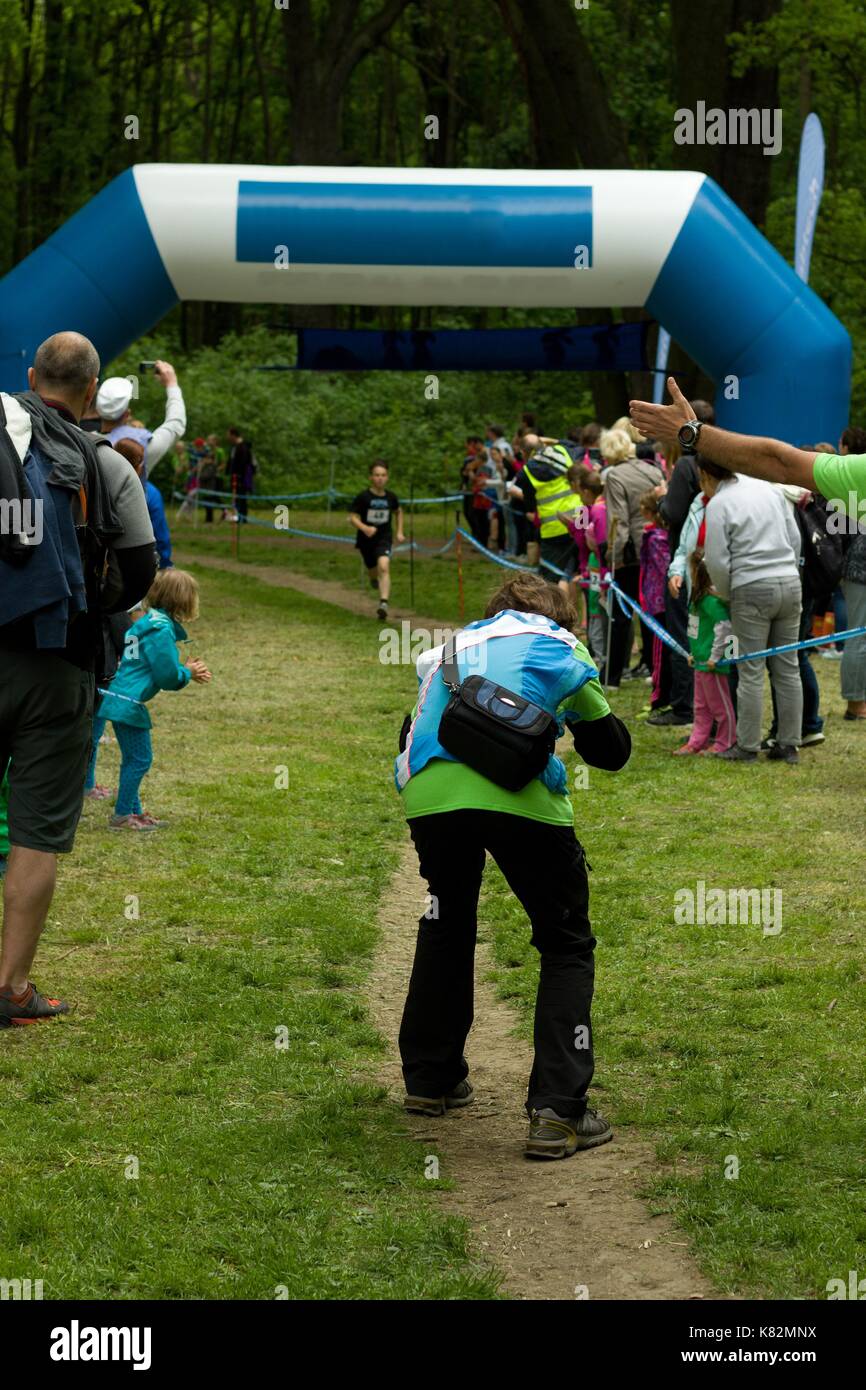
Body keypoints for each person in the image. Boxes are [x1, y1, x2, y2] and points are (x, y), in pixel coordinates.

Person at [395, 572, 631, 1159]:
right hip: (520, 798)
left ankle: (431, 1079)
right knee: (565, 944)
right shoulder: (559, 646)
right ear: (562, 617)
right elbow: (610, 752)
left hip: (428, 796)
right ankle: (558, 1110)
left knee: (446, 924)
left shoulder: (451, 647)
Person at [0, 331, 157, 1027]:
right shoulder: (105, 463)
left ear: (33, 377)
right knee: (36, 833)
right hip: (58, 666)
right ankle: (11, 988)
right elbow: (141, 574)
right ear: (91, 391)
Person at [90, 569, 210, 831]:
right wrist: (187, 672)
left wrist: (183, 670)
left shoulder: (145, 622)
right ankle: (122, 816)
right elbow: (166, 676)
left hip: (120, 696)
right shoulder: (161, 629)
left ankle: (135, 812)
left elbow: (144, 662)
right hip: (127, 702)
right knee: (140, 759)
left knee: (133, 758)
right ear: (184, 601)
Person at [655, 399, 716, 725]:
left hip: (689, 563)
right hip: (713, 562)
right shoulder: (722, 461)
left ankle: (683, 707)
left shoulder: (686, 466)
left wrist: (662, 499)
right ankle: (705, 707)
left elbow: (674, 512)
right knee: (708, 634)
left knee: (682, 632)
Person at [600, 427, 664, 686]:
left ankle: (612, 675)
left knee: (620, 614)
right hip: (654, 549)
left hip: (628, 554)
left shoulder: (615, 476)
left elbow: (618, 521)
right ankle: (652, 667)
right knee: (650, 611)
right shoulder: (653, 470)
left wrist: (612, 555)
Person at [673, 549, 736, 756]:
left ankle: (725, 741)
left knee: (720, 706)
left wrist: (715, 657)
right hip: (699, 661)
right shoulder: (697, 601)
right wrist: (694, 653)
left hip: (713, 665)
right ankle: (697, 741)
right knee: (700, 706)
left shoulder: (713, 602)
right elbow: (696, 630)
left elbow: (724, 627)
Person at [95, 360, 186, 478]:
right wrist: (172, 384)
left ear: (98, 411)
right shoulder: (144, 446)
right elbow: (176, 424)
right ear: (127, 414)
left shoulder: (83, 442)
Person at [519, 442, 583, 592]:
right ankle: (576, 613)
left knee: (551, 579)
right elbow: (578, 447)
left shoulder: (526, 472)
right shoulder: (564, 451)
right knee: (578, 574)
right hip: (580, 520)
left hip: (553, 530)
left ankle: (557, 614)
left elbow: (529, 505)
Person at [348, 460, 405, 621]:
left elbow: (398, 512)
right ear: (371, 477)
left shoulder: (391, 497)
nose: (380, 478)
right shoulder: (363, 497)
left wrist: (400, 531)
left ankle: (383, 604)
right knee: (373, 569)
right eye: (377, 475)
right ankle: (373, 578)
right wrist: (364, 527)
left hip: (384, 538)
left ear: (387, 477)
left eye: (383, 475)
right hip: (366, 540)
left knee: (384, 566)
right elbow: (352, 517)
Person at [114, 437, 173, 569]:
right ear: (140, 466)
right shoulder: (149, 492)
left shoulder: (99, 483)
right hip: (139, 558)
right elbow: (160, 532)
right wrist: (165, 562)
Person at [638, 490, 671, 713]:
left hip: (658, 602)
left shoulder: (656, 539)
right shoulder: (656, 535)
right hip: (653, 599)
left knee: (658, 652)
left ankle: (658, 696)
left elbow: (663, 569)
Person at [227, 427, 256, 518]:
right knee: (236, 497)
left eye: (229, 435)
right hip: (235, 476)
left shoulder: (242, 447)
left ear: (233, 435)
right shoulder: (235, 447)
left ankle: (242, 517)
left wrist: (238, 474)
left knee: (241, 496)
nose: (228, 438)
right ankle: (237, 515)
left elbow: (243, 463)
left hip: (241, 477)